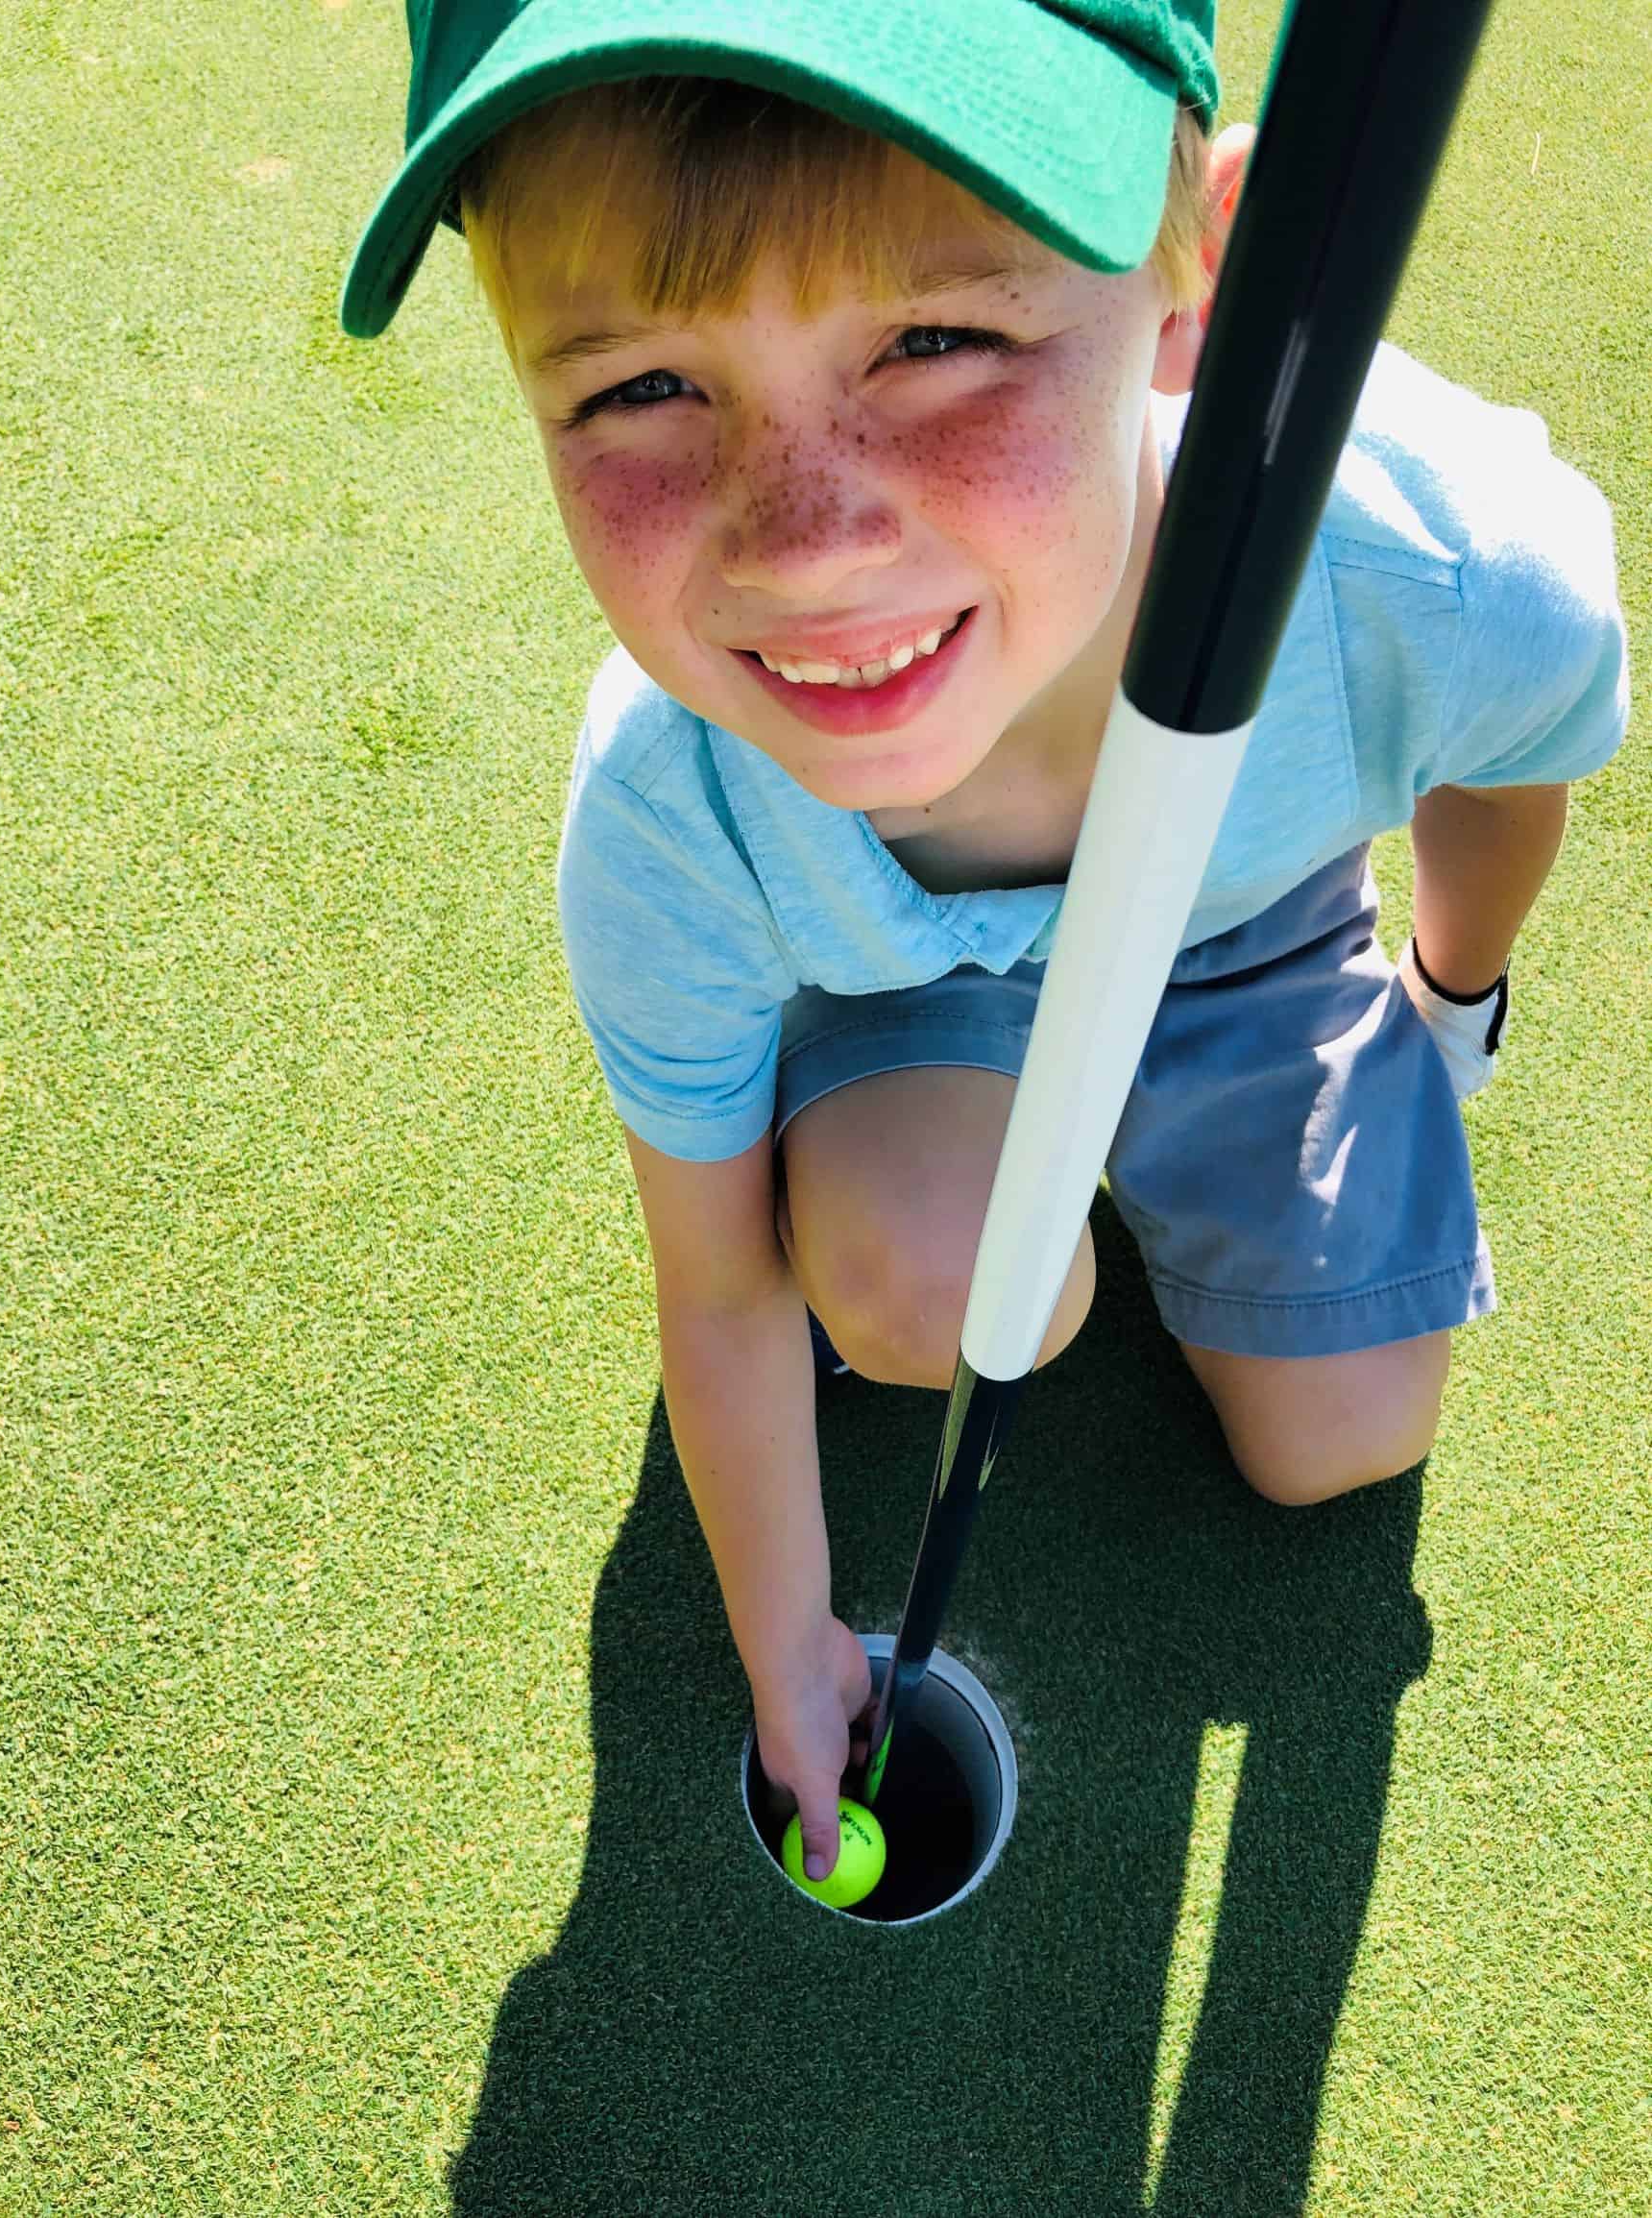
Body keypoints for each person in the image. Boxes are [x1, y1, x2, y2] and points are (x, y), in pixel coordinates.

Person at [342, 2, 1630, 1884]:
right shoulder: (670, 811)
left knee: (1337, 1436)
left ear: (1204, 269)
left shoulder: (1442, 572)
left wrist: (1445, 994)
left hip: (1240, 925)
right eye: (635, 388)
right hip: (908, 984)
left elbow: (1501, 782)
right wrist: (785, 1637)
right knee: (942, 1289)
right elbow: (715, 1289)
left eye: (938, 338)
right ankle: (945, 1171)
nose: (800, 542)